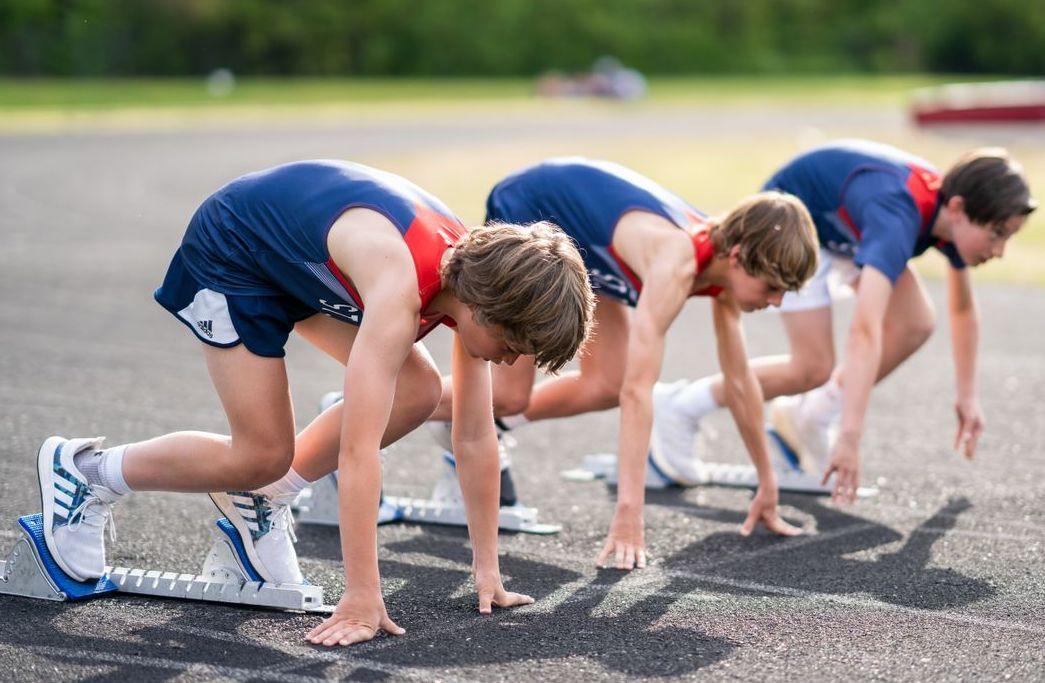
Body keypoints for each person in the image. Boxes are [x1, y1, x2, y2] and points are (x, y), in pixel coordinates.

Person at [36, 159, 595, 646]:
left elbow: (475, 436)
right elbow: (358, 454)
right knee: (259, 456)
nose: (507, 361)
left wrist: (487, 569)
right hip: (235, 250)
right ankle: (87, 473)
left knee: (419, 392)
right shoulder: (398, 284)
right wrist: (360, 596)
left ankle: (259, 502)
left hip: (300, 259)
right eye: (512, 348)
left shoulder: (474, 277)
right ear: (483, 310)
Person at [425, 157, 819, 570]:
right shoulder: (676, 263)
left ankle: (478, 432)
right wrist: (629, 512)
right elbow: (640, 389)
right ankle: (376, 408)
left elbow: (740, 383)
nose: (776, 301)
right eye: (773, 287)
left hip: (591, 242)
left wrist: (766, 482)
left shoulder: (725, 268)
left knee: (606, 384)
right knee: (507, 395)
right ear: (738, 256)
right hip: (538, 207)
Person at [655, 140, 1036, 504]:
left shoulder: (946, 215)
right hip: (794, 229)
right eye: (996, 234)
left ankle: (809, 416)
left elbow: (963, 309)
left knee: (915, 322)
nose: (1000, 251)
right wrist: (850, 437)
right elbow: (865, 329)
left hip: (847, 227)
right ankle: (682, 404)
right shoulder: (896, 214)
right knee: (812, 367)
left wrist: (967, 396)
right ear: (957, 207)